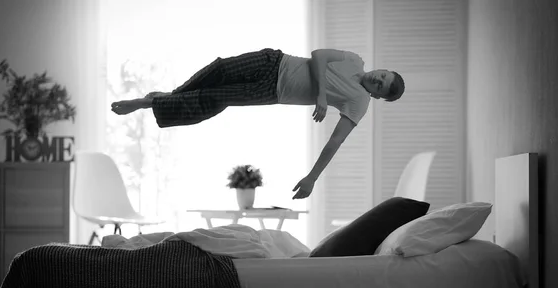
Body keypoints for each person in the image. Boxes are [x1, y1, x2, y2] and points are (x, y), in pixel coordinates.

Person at [111, 48, 405, 199]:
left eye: (381, 85)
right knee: (220, 68)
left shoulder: (359, 103)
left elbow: (335, 142)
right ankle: (163, 98)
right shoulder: (354, 60)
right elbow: (318, 56)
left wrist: (312, 177)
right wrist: (322, 97)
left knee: (213, 98)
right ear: (381, 69)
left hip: (270, 91)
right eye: (383, 74)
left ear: (378, 96)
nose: (377, 79)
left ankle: (147, 103)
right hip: (273, 61)